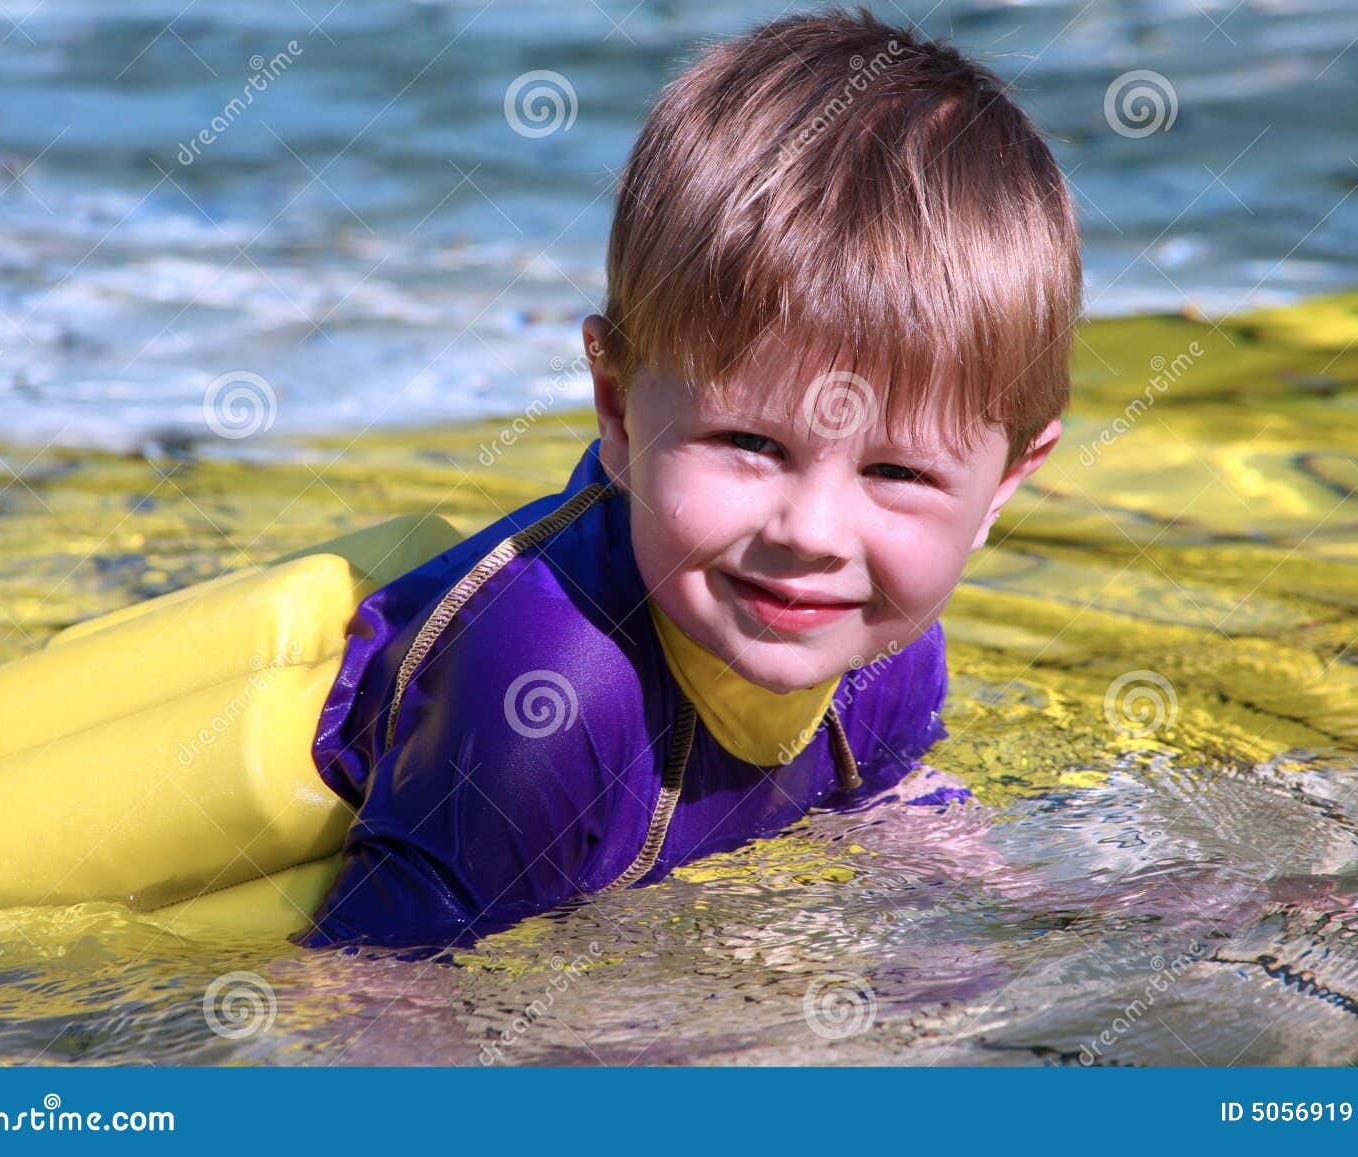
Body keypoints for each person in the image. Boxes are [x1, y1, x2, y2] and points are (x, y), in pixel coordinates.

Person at [294, 5, 1081, 949]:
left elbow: (892, 817)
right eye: (752, 443)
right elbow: (374, 1000)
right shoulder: (545, 696)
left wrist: (1079, 914)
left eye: (898, 470)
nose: (814, 532)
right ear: (620, 408)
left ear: (1004, 482)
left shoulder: (882, 642)